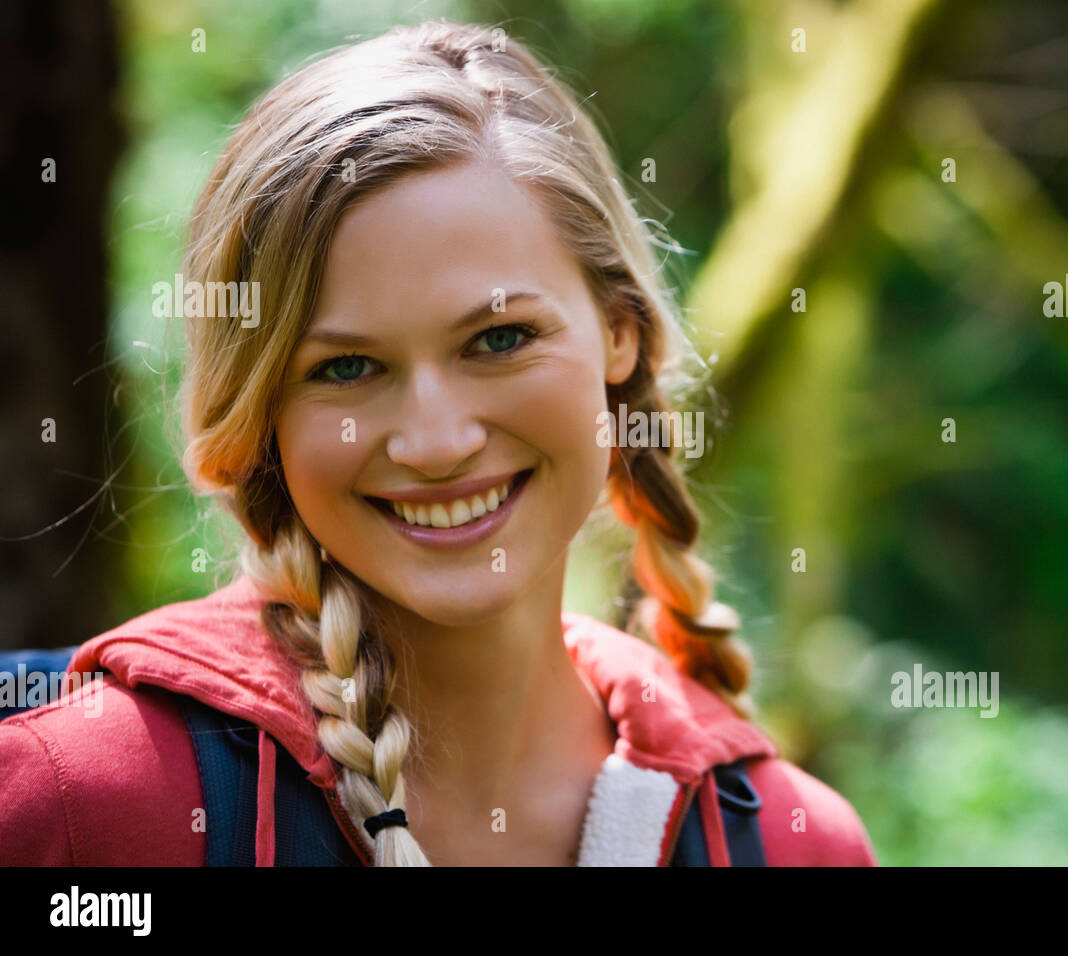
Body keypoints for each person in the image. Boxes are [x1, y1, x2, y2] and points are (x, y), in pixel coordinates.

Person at [0, 19, 879, 867]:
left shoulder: (797, 843)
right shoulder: (78, 805)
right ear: (261, 412)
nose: (435, 441)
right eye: (346, 368)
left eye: (498, 340)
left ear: (621, 332)